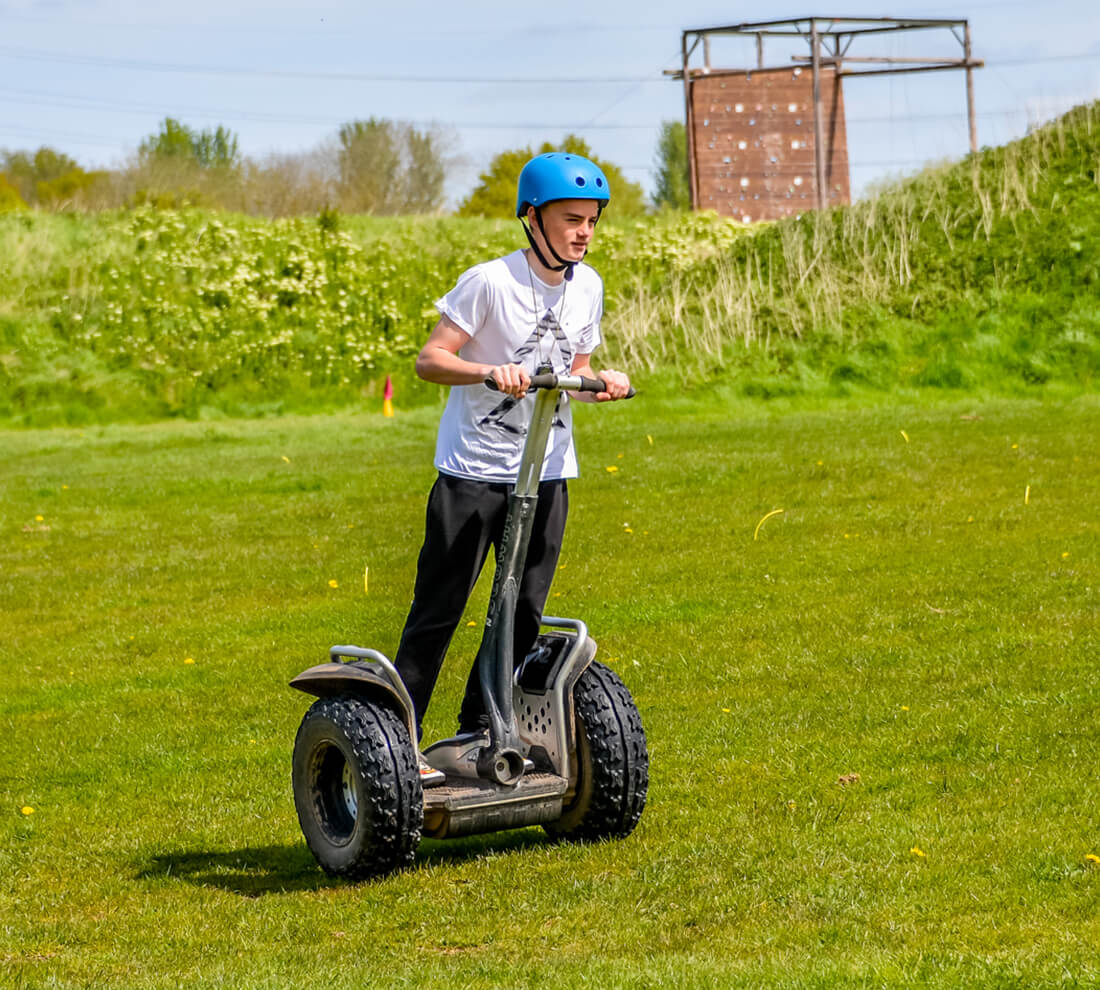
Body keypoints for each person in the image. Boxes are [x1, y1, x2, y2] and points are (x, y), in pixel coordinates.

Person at [393, 152, 631, 779]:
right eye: (571, 219)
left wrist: (600, 381)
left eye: (592, 220)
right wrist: (487, 371)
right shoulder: (489, 282)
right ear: (532, 217)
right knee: (439, 608)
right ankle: (400, 744)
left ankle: (475, 731)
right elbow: (429, 359)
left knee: (523, 608)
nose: (583, 231)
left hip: (547, 470)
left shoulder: (590, 287)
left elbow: (572, 370)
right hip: (475, 470)